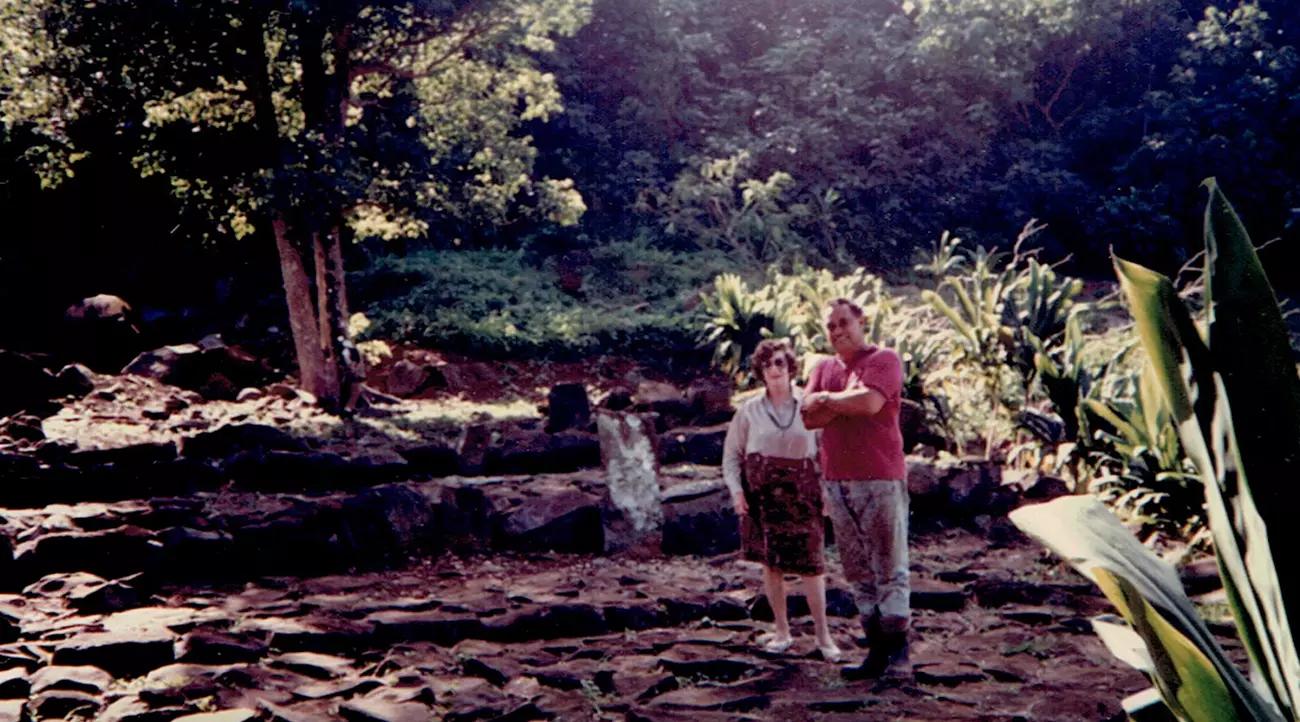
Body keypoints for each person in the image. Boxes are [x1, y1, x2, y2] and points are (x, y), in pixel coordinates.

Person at [802, 298, 910, 679]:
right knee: (857, 569)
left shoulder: (885, 359)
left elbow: (869, 402)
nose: (837, 331)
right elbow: (808, 417)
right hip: (836, 481)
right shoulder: (823, 367)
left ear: (861, 322)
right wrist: (837, 403)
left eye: (843, 322)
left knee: (889, 565)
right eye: (830, 326)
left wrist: (827, 400)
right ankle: (876, 653)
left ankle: (900, 656)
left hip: (880, 477)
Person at [722, 339, 841, 662]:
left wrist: (828, 492)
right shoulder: (748, 411)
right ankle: (782, 632)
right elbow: (731, 456)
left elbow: (826, 451)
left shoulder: (809, 405)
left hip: (803, 494)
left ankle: (823, 637)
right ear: (759, 371)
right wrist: (736, 491)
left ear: (790, 368)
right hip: (762, 498)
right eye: (766, 365)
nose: (773, 370)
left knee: (812, 566)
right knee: (771, 565)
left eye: (779, 363)